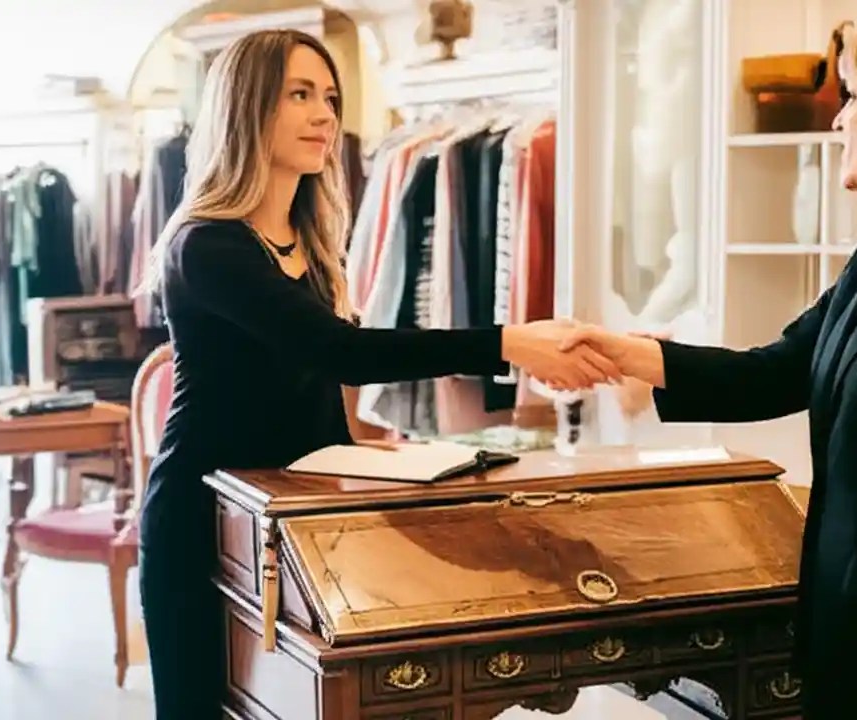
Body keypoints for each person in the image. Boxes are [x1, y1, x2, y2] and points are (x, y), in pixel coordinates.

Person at [562, 7, 857, 719]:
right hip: (852, 644)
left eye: (855, 95)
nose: (838, 120)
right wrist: (625, 352)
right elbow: (779, 370)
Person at [136, 29, 615, 719]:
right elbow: (339, 353)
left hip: (294, 517)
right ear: (245, 108)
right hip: (203, 519)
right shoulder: (206, 245)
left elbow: (321, 396)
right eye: (299, 95)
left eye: (329, 96)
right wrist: (509, 342)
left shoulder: (309, 241)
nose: (325, 115)